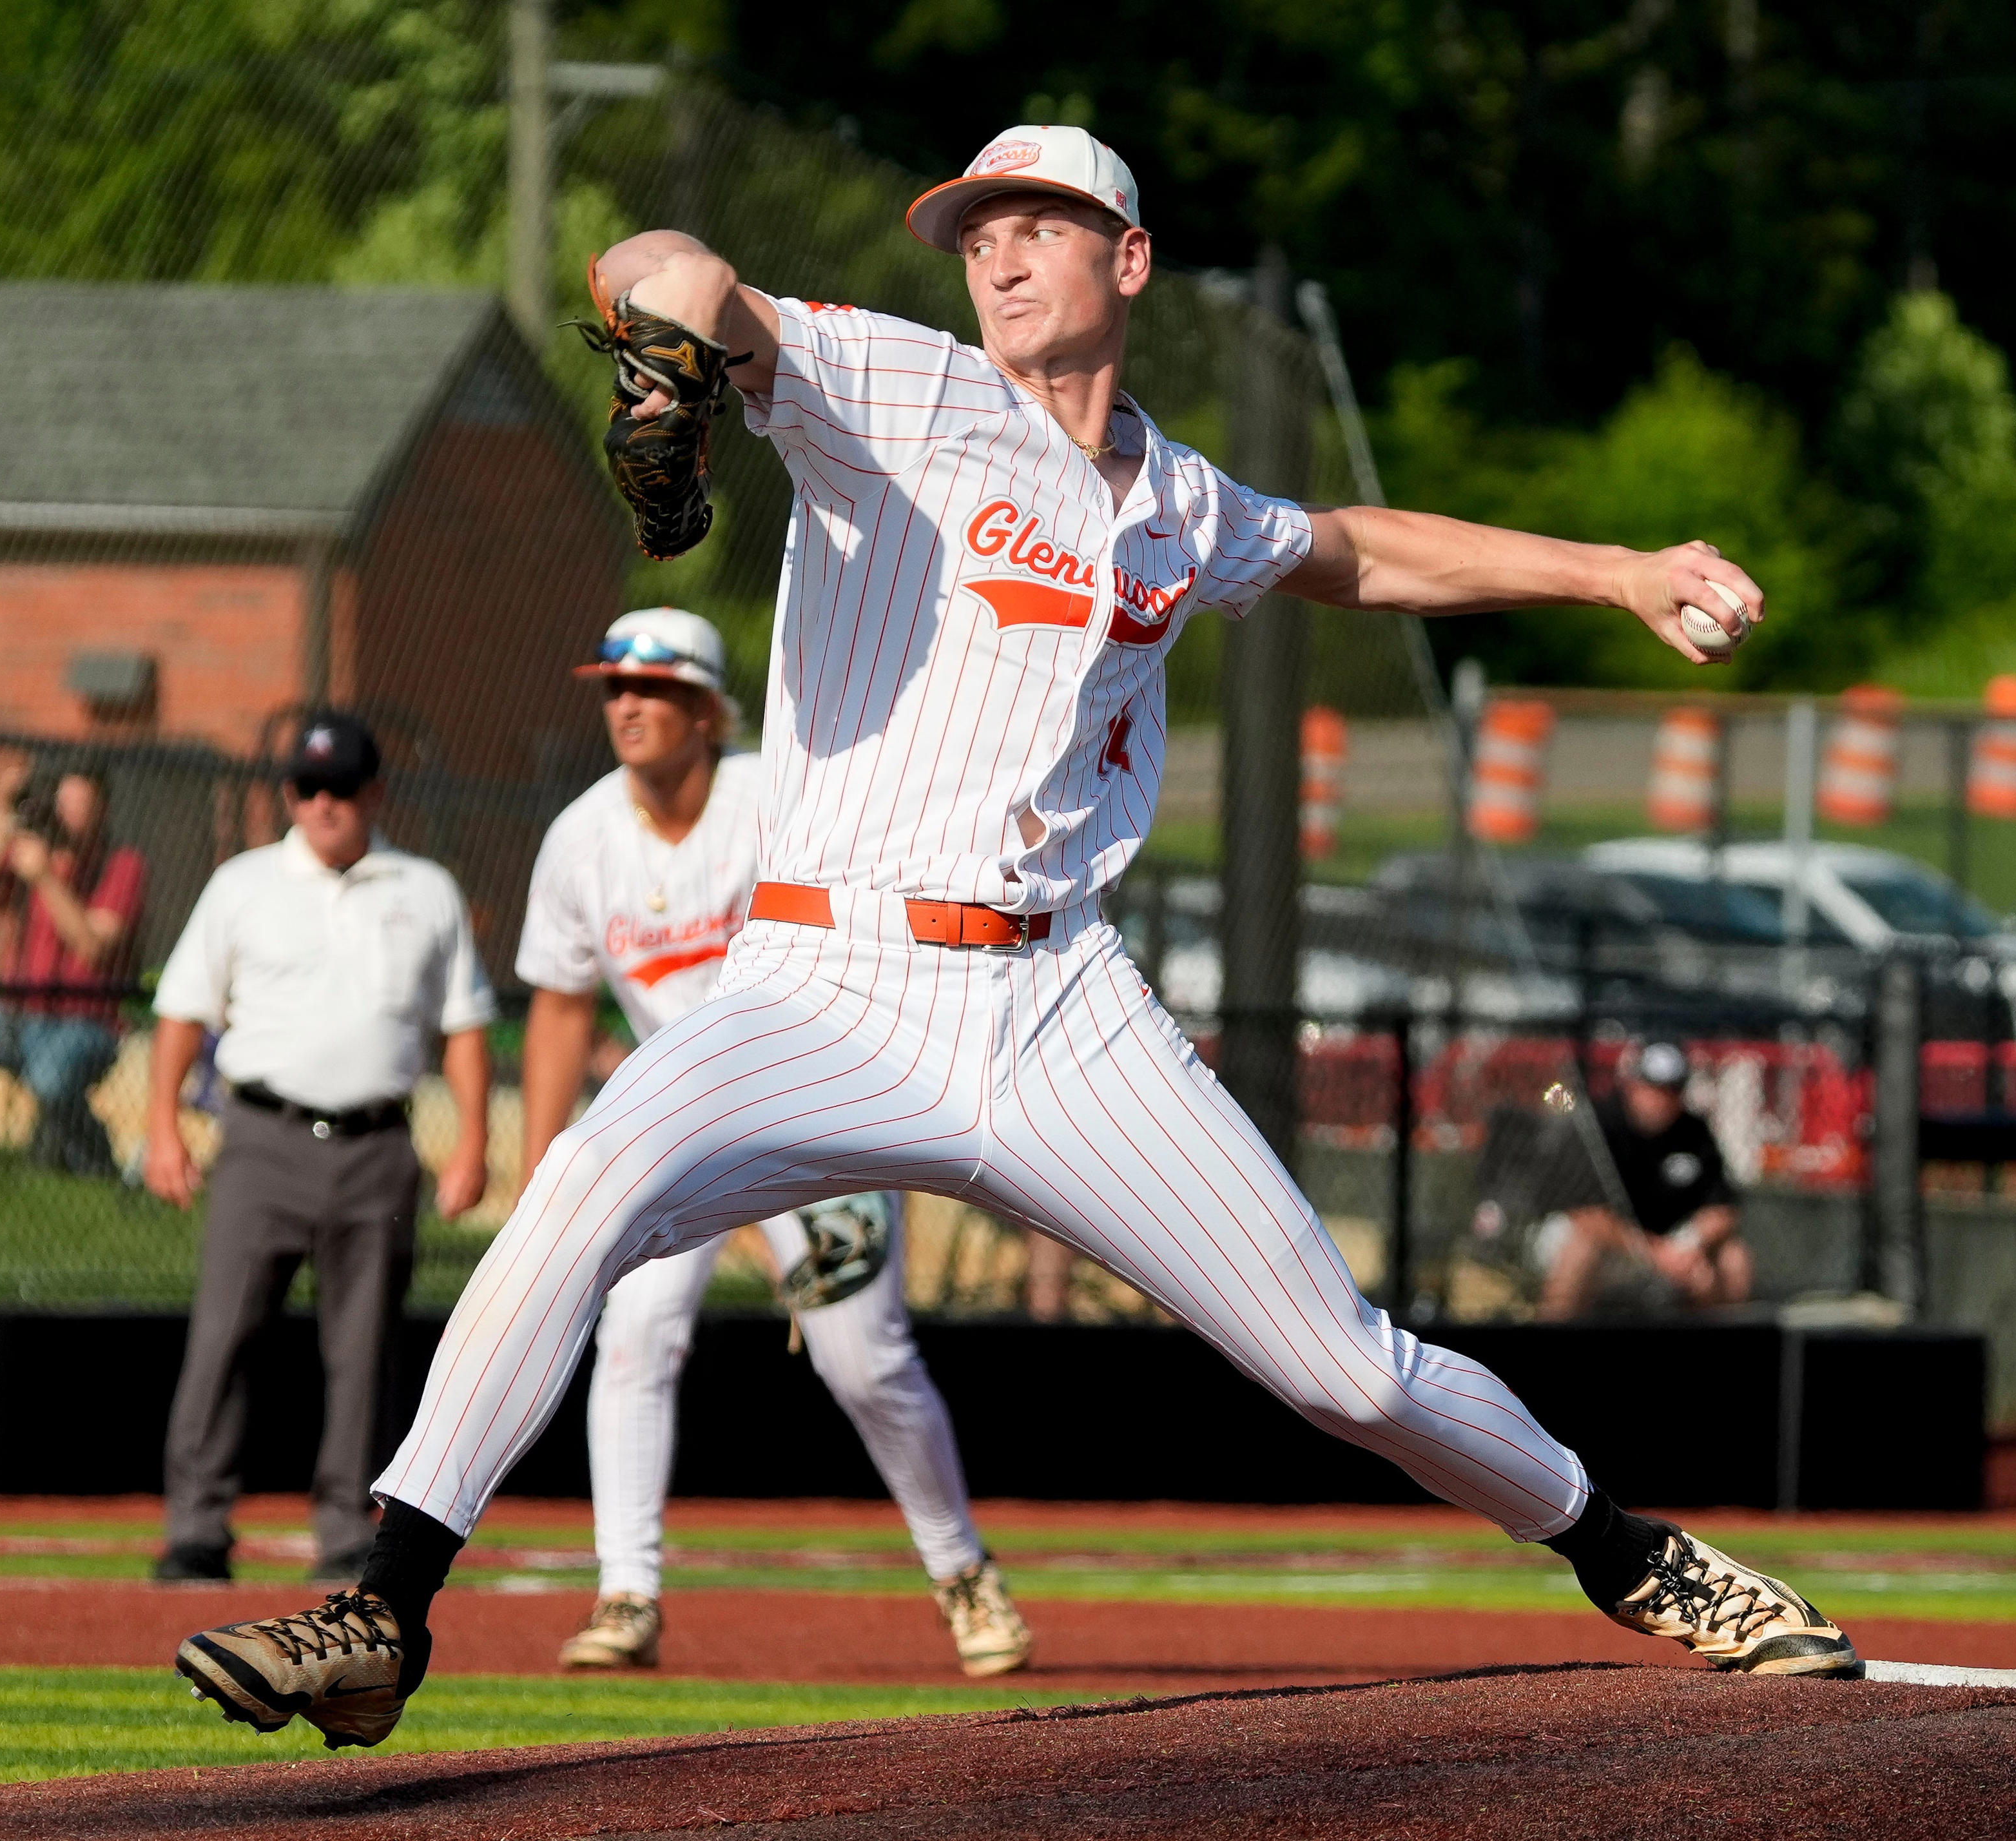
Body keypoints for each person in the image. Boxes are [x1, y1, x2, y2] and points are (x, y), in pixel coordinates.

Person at [175, 124, 1855, 1750]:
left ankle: (1635, 1556)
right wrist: (664, 360)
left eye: (1035, 220)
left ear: (1127, 259)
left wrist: (1615, 568)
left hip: (1060, 1005)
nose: (996, 250)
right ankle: (385, 1608)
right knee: (591, 1182)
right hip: (827, 980)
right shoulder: (884, 387)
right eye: (975, 228)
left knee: (1346, 1372)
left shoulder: (1176, 505)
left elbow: (1355, 551)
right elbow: (661, 265)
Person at [521, 606, 1029, 1678]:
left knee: (865, 1361)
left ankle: (962, 1572)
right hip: (675, 1124)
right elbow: (563, 1004)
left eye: (653, 689)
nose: (627, 705)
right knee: (635, 1331)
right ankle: (626, 1593)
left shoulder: (777, 804)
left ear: (708, 711)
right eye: (614, 686)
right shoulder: (582, 835)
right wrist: (540, 1166)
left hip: (816, 1100)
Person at [143, 712, 496, 1584]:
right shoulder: (242, 884)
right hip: (260, 1138)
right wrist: (161, 1129)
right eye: (307, 788)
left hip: (377, 1143)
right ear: (289, 797)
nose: (324, 804)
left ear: (375, 792)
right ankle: (196, 1525)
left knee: (365, 1347)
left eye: (342, 787)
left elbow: (463, 1026)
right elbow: (183, 1010)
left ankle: (347, 1526)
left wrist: (472, 1144)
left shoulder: (425, 888)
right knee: (223, 1335)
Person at [0, 761, 145, 1175]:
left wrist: (45, 879)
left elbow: (92, 946)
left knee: (49, 1078)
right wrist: (1, 820)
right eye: (64, 804)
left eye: (81, 806)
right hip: (15, 1019)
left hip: (86, 1026)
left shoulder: (122, 865)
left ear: (103, 810)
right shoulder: (31, 854)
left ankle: (96, 1155)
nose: (69, 815)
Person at [1537, 1042, 1752, 1321]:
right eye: (1653, 1087)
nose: (1662, 1099)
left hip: (1671, 1245)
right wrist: (1656, 1253)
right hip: (1611, 1243)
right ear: (1632, 1085)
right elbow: (1585, 1215)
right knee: (1581, 1250)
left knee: (1733, 1259)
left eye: (1673, 1089)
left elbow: (1722, 1209)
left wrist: (1689, 1246)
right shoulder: (1598, 1125)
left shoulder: (1694, 1131)